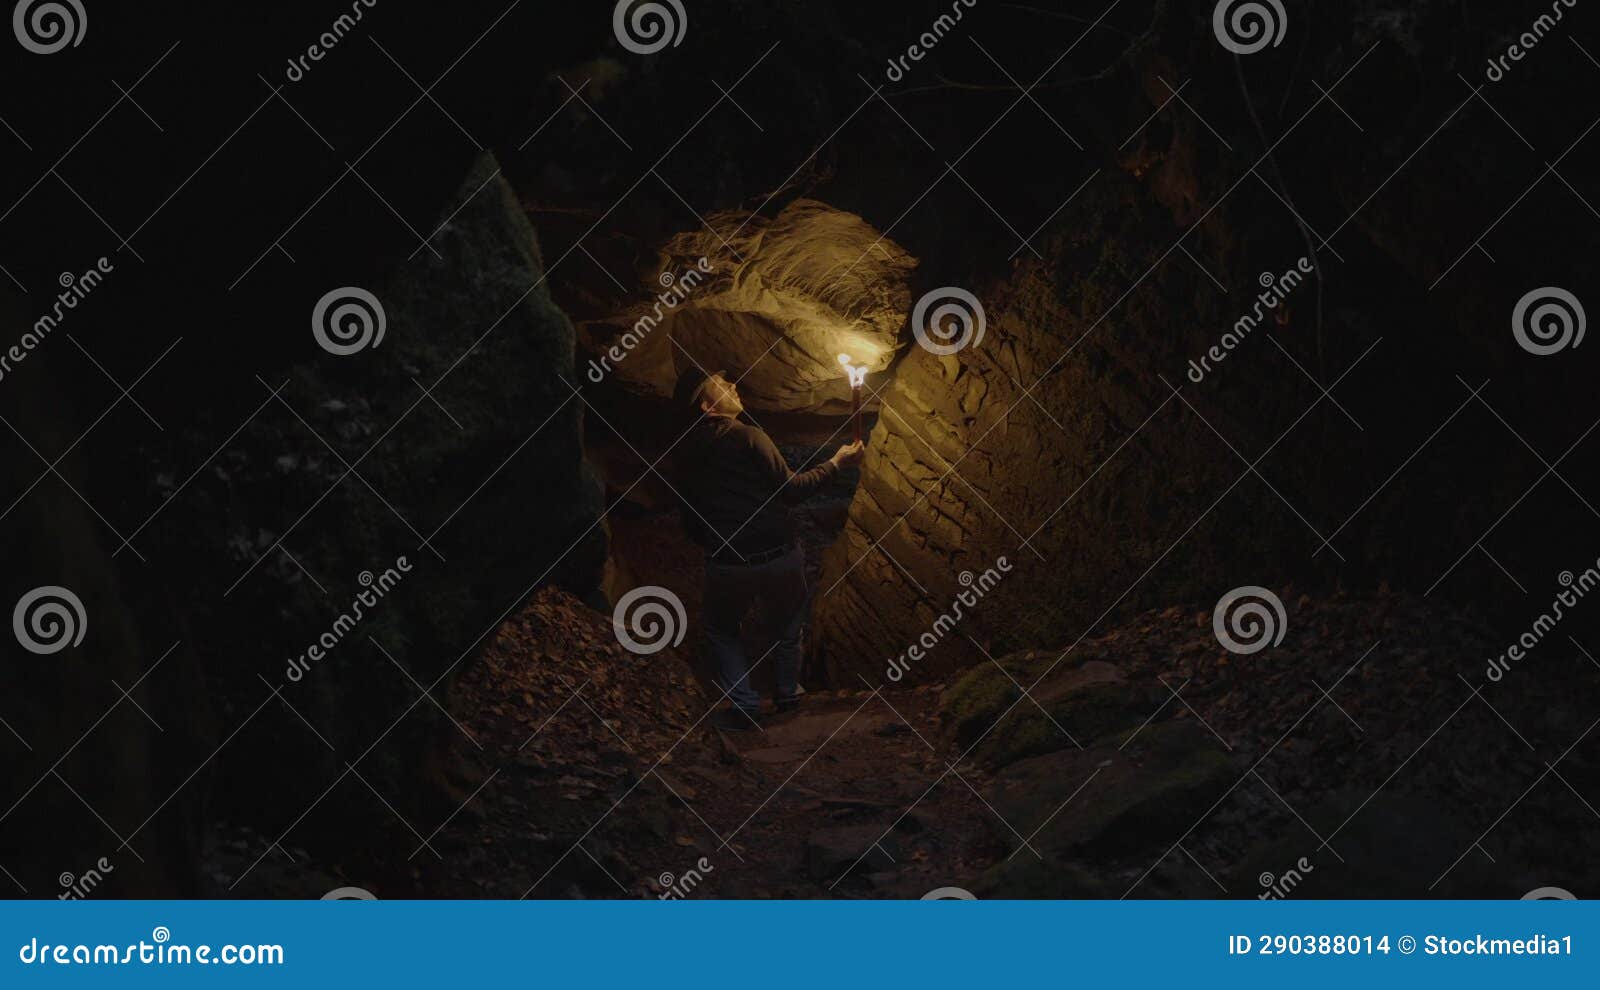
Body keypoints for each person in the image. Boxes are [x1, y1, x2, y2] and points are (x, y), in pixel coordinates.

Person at [671, 368, 865, 731]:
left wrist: (715, 544)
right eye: (720, 384)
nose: (732, 385)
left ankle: (744, 702)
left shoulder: (684, 453)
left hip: (728, 562)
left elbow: (689, 514)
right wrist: (837, 463)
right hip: (779, 554)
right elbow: (791, 491)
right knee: (788, 623)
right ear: (706, 405)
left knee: (722, 629)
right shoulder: (750, 436)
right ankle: (787, 694)